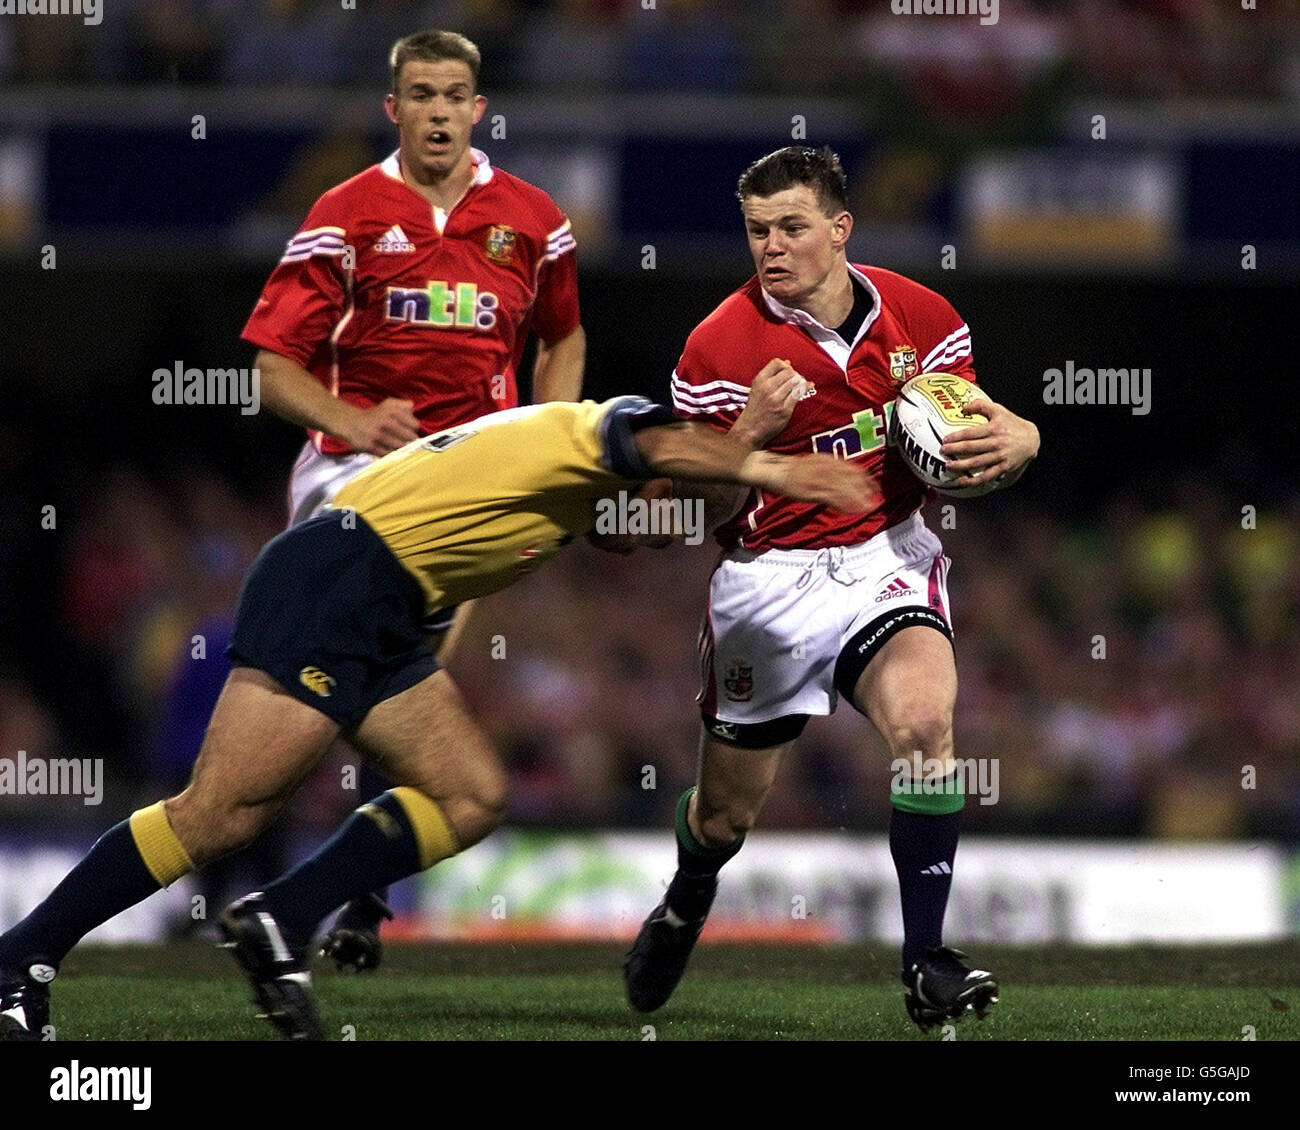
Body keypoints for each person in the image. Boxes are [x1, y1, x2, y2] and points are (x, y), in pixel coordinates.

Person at [0, 396, 874, 1042]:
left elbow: (640, 523)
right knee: (220, 814)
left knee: (471, 795)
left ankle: (282, 917)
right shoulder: (589, 431)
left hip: (380, 603)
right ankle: (21, 957)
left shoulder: (580, 492)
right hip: (341, 582)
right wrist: (774, 467)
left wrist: (749, 442)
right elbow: (653, 443)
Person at [623, 146, 1041, 1030]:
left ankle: (926, 961)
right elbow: (703, 509)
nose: (771, 248)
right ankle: (688, 893)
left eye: (791, 227)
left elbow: (967, 415)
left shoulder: (923, 314)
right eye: (756, 231)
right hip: (766, 586)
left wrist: (1026, 436)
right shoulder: (717, 347)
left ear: (840, 229)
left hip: (887, 555)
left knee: (926, 725)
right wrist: (749, 433)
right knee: (728, 816)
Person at [241, 28, 585, 963]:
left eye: (456, 94)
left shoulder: (535, 220)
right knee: (323, 713)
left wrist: (542, 444)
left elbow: (562, 338)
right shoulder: (345, 213)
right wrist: (354, 423)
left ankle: (335, 896)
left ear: (480, 107)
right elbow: (273, 367)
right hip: (359, 480)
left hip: (473, 481)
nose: (440, 110)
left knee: (402, 690)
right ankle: (289, 877)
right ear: (393, 109)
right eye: (421, 94)